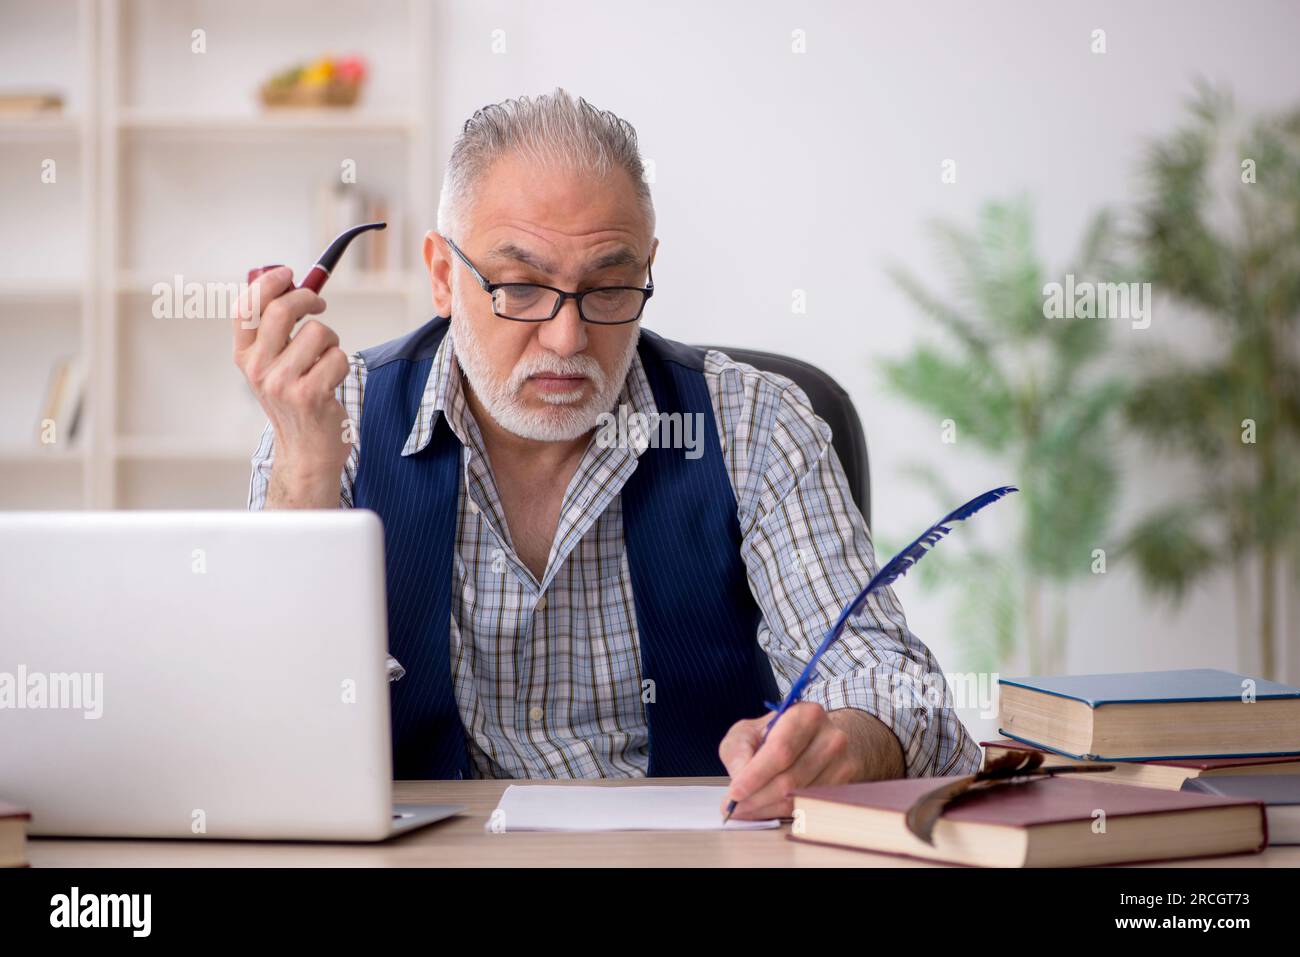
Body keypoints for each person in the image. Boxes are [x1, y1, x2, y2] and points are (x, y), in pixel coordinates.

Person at [236, 89, 979, 820]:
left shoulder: (754, 423)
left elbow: (898, 689)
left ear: (647, 268)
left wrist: (852, 741)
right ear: (441, 276)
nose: (566, 339)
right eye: (521, 287)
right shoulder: (336, 421)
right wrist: (305, 470)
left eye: (609, 286)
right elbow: (266, 736)